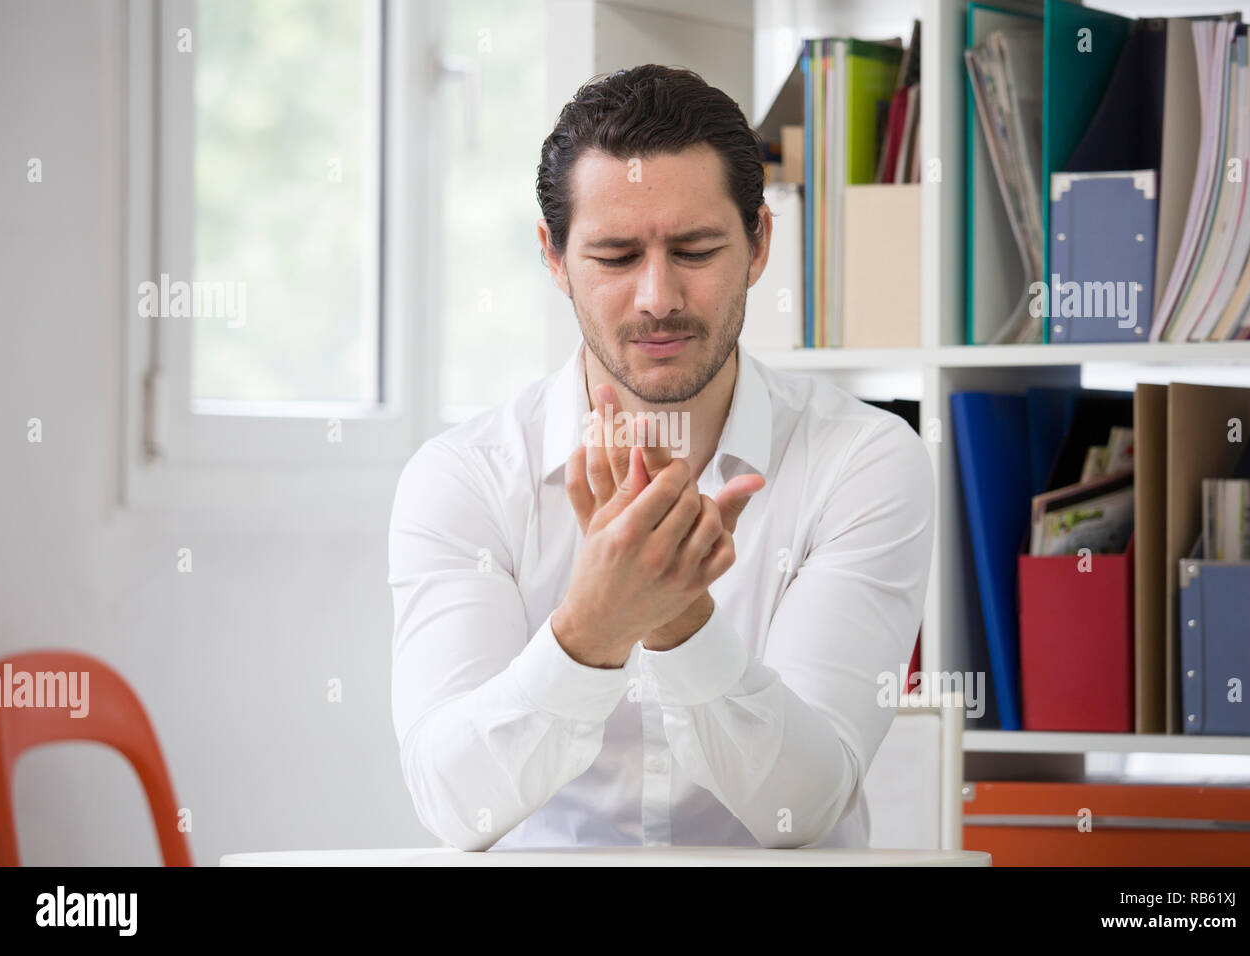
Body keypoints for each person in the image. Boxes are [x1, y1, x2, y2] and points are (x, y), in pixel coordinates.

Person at [389, 65, 934, 851]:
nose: (657, 297)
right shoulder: (463, 479)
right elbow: (454, 807)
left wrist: (680, 619)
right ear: (553, 258)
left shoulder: (864, 461)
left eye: (696, 248)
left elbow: (805, 806)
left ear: (758, 243)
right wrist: (590, 631)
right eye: (614, 257)